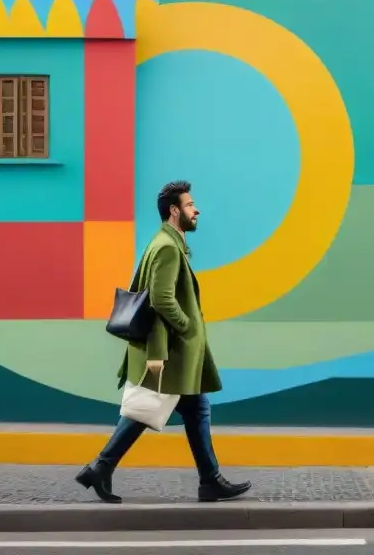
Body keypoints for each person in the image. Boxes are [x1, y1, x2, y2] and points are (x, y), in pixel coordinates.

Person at [76, 180, 252, 504]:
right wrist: (187, 326)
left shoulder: (165, 242)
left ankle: (208, 479)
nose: (196, 210)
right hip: (171, 351)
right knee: (145, 411)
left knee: (193, 409)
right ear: (174, 211)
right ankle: (101, 467)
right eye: (189, 205)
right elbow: (161, 299)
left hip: (172, 351)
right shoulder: (168, 248)